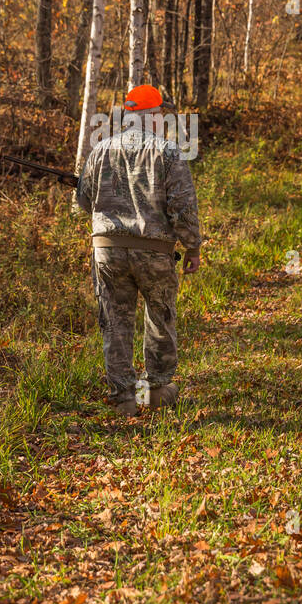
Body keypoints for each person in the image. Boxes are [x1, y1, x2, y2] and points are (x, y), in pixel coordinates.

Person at [75, 84, 201, 414]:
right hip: (154, 251)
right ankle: (158, 391)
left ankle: (123, 399)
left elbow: (83, 203)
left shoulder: (100, 150)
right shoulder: (170, 152)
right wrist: (192, 247)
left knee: (114, 321)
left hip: (107, 251)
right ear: (152, 115)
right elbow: (183, 208)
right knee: (159, 317)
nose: (163, 118)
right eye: (160, 112)